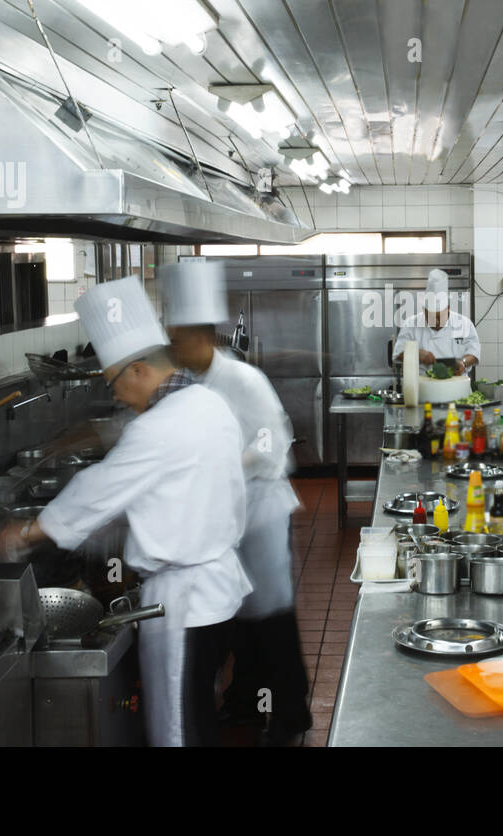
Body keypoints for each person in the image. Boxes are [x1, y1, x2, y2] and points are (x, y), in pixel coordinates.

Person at [0, 276, 249, 747]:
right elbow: (168, 495)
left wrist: (27, 530)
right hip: (217, 593)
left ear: (136, 370)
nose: (115, 395)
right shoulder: (209, 403)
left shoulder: (158, 428)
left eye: (113, 382)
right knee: (198, 719)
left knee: (179, 733)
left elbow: (97, 491)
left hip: (184, 603)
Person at [159, 258, 312, 746]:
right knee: (237, 616)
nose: (173, 346)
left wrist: (218, 466)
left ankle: (291, 715)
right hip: (225, 519)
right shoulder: (188, 383)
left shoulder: (242, 380)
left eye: (178, 336)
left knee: (271, 617)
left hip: (262, 514)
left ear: (201, 335)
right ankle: (245, 703)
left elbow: (274, 443)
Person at [391, 268, 481, 374]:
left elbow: (474, 352)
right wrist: (416, 354)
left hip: (457, 386)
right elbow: (397, 354)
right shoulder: (411, 324)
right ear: (424, 311)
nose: (436, 322)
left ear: (448, 309)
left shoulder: (464, 323)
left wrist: (463, 362)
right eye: (431, 317)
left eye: (440, 317)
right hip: (423, 386)